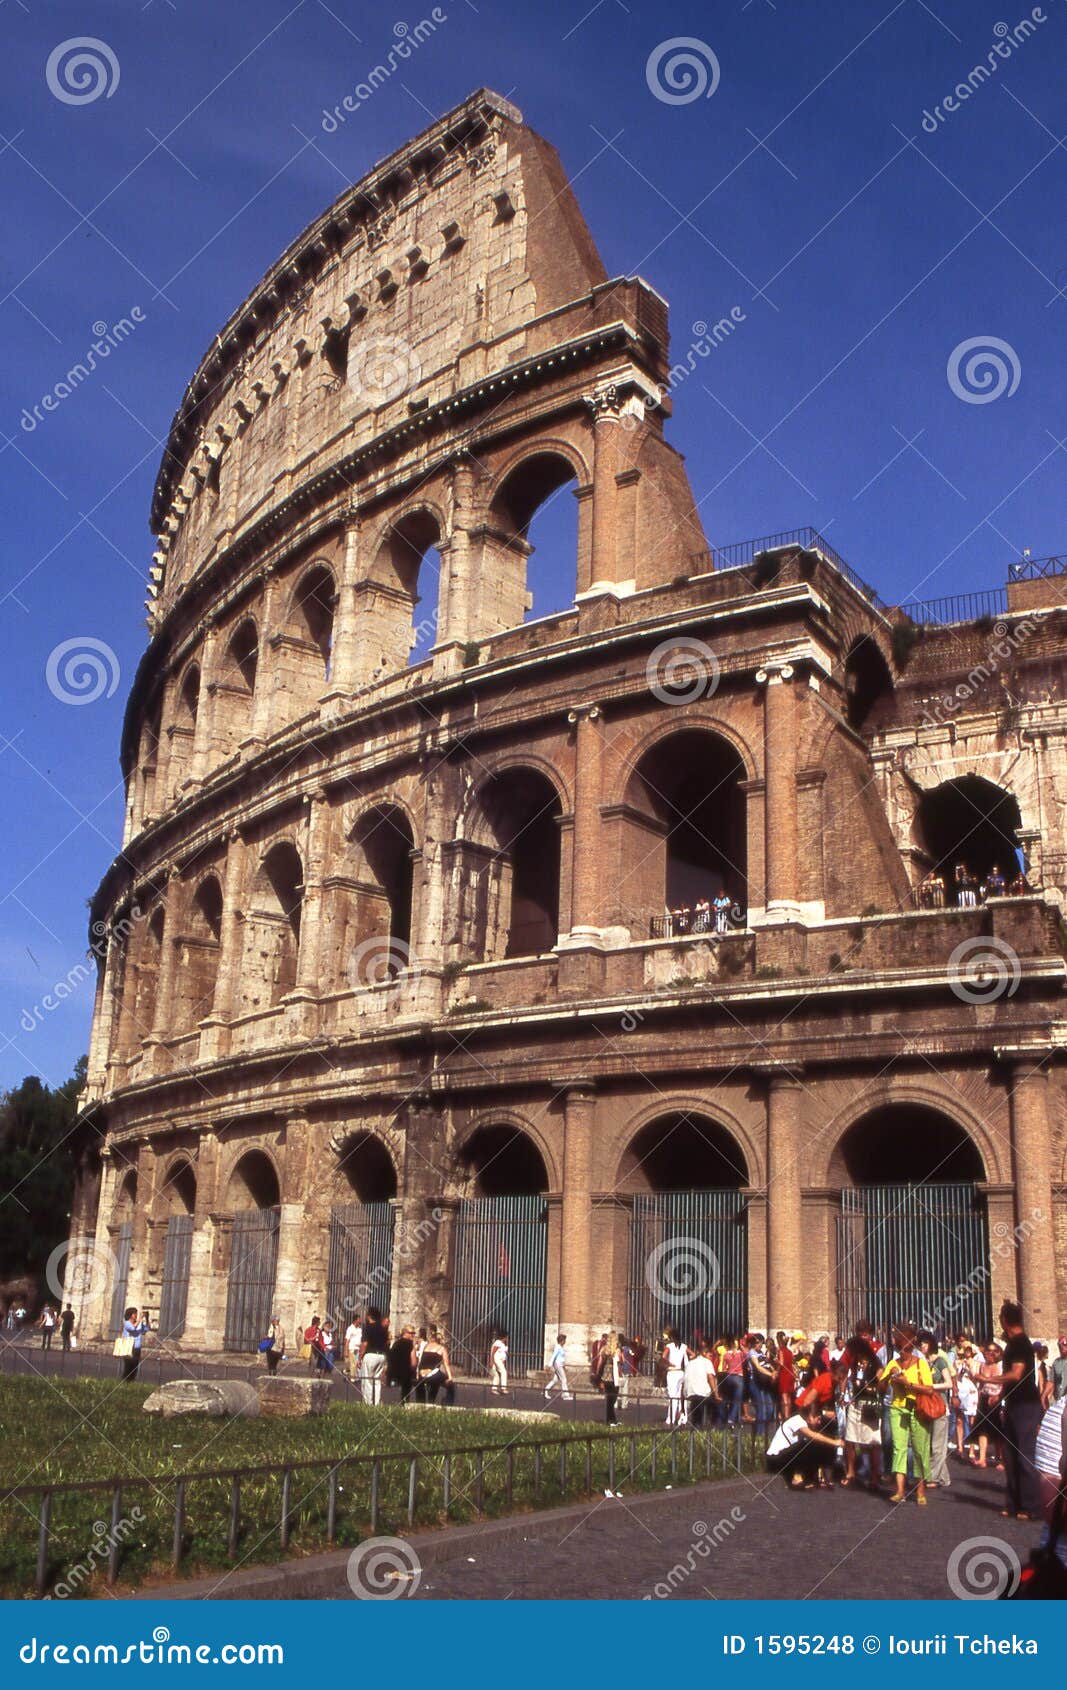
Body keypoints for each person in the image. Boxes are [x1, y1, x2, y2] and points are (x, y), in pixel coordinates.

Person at [997, 1299, 1043, 1521]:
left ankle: (1030, 1506)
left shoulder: (1020, 1344)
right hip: (1014, 1403)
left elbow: (1016, 1374)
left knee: (1024, 1456)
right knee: (1010, 1455)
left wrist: (989, 1378)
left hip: (1026, 1405)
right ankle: (1014, 1503)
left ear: (1005, 1320)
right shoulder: (1014, 1343)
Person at [880, 1321, 933, 1505]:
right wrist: (887, 1375)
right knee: (898, 1448)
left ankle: (920, 1490)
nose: (902, 1351)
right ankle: (900, 1490)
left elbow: (929, 1390)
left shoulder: (921, 1364)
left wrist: (907, 1383)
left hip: (917, 1408)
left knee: (919, 1450)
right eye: (899, 1346)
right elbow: (880, 1387)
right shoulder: (892, 1363)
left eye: (905, 1346)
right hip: (897, 1408)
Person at [841, 1323, 884, 1491]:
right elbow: (844, 1371)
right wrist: (842, 1394)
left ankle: (874, 1476)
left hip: (871, 1402)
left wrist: (874, 1384)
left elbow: (882, 1373)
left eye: (866, 1334)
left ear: (871, 1334)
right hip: (855, 1399)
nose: (863, 1336)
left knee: (873, 1441)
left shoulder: (877, 1350)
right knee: (850, 1439)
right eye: (861, 1334)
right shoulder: (851, 1351)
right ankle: (851, 1472)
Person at [765, 1404, 843, 1490]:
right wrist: (834, 1442)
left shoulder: (803, 1419)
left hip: (785, 1457)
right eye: (818, 1419)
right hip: (775, 1459)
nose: (819, 1422)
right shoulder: (798, 1421)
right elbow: (813, 1435)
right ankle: (797, 1476)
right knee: (806, 1446)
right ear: (810, 1416)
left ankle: (815, 1477)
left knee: (813, 1446)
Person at [919, 1330, 954, 1489]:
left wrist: (931, 1386)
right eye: (920, 1343)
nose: (922, 1346)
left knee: (937, 1444)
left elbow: (949, 1383)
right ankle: (944, 1478)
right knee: (929, 1443)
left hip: (940, 1405)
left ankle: (932, 1478)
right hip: (926, 1405)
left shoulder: (940, 1362)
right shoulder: (921, 1362)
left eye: (924, 1343)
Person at [969, 1342, 1004, 1468]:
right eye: (988, 1351)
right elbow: (978, 1381)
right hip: (984, 1398)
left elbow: (1005, 1384)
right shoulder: (982, 1366)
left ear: (998, 1353)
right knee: (982, 1428)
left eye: (993, 1351)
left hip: (997, 1399)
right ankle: (982, 1458)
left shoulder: (1001, 1366)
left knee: (998, 1429)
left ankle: (1001, 1459)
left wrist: (999, 1397)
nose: (990, 1353)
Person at [415, 1325, 454, 1404]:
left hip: (422, 1373)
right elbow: (446, 1365)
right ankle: (446, 1402)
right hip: (433, 1373)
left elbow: (420, 1361)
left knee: (432, 1382)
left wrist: (417, 1373)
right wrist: (450, 1377)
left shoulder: (425, 1346)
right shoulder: (442, 1349)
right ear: (440, 1340)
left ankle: (420, 1402)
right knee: (451, 1386)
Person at [684, 1341, 719, 1428]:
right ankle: (712, 1424)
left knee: (696, 1411)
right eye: (710, 1356)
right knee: (716, 1405)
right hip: (702, 1393)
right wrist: (716, 1394)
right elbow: (711, 1378)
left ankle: (696, 1426)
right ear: (704, 1353)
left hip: (690, 1392)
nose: (711, 1358)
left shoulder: (690, 1363)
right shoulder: (707, 1362)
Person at [359, 1306, 389, 1404]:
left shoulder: (368, 1327)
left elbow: (365, 1343)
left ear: (369, 1316)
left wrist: (360, 1357)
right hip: (381, 1355)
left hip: (370, 1354)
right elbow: (386, 1343)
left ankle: (368, 1402)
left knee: (367, 1380)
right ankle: (376, 1402)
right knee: (377, 1381)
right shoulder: (383, 1328)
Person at [661, 1327, 690, 1427]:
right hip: (681, 1373)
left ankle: (671, 1418)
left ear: (671, 1337)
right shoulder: (684, 1346)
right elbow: (693, 1354)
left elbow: (663, 1357)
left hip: (672, 1373)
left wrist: (670, 1364)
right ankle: (683, 1418)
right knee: (681, 1396)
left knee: (672, 1396)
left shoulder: (669, 1346)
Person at [718, 1335, 746, 1426]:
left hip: (729, 1377)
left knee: (729, 1398)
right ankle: (732, 1418)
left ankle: (725, 1418)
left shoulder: (726, 1355)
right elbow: (747, 1355)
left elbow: (723, 1368)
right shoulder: (740, 1354)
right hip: (739, 1377)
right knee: (737, 1399)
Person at [120, 1305, 150, 1382]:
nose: (136, 1315)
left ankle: (131, 1382)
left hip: (137, 1348)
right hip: (128, 1347)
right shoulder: (127, 1323)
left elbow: (147, 1329)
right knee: (128, 1367)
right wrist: (140, 1319)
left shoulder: (138, 1323)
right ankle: (125, 1382)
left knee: (134, 1367)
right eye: (134, 1314)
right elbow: (133, 1328)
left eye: (136, 1313)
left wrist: (146, 1318)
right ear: (130, 1315)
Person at [386, 1326, 417, 1402]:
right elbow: (413, 1362)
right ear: (405, 1333)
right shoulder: (410, 1345)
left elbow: (390, 1358)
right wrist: (414, 1371)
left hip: (394, 1373)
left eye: (414, 1333)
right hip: (406, 1373)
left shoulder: (396, 1344)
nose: (413, 1335)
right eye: (411, 1333)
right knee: (405, 1395)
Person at [597, 1332, 621, 1426]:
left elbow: (600, 1362)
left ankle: (612, 1420)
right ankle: (610, 1420)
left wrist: (599, 1375)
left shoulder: (604, 1349)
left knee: (609, 1399)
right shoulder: (617, 1350)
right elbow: (620, 1362)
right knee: (612, 1399)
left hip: (605, 1376)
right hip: (613, 1377)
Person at [545, 1333, 572, 1403]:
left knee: (555, 1380)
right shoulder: (558, 1347)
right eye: (564, 1340)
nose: (565, 1342)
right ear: (562, 1340)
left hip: (560, 1365)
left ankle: (545, 1390)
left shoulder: (560, 1347)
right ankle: (565, 1395)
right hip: (558, 1365)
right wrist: (549, 1365)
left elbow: (561, 1358)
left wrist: (564, 1366)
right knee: (564, 1379)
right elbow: (554, 1356)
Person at [489, 1330, 509, 1395]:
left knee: (496, 1375)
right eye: (506, 1337)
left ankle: (494, 1389)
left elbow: (504, 1355)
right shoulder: (498, 1342)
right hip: (496, 1359)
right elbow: (493, 1352)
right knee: (504, 1372)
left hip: (500, 1361)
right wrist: (491, 1361)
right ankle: (504, 1388)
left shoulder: (504, 1345)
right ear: (504, 1337)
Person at [344, 1316, 362, 1381]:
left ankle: (356, 1377)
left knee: (358, 1363)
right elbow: (347, 1340)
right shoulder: (350, 1329)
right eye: (359, 1319)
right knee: (353, 1364)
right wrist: (346, 1350)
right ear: (355, 1320)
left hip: (358, 1348)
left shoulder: (360, 1329)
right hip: (352, 1348)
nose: (360, 1320)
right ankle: (352, 1378)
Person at [1052, 1336, 1067, 1402]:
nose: (1062, 1348)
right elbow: (1051, 1381)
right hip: (1059, 1400)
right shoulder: (1056, 1362)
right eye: (1060, 1346)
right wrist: (1043, 1396)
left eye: (1064, 1345)